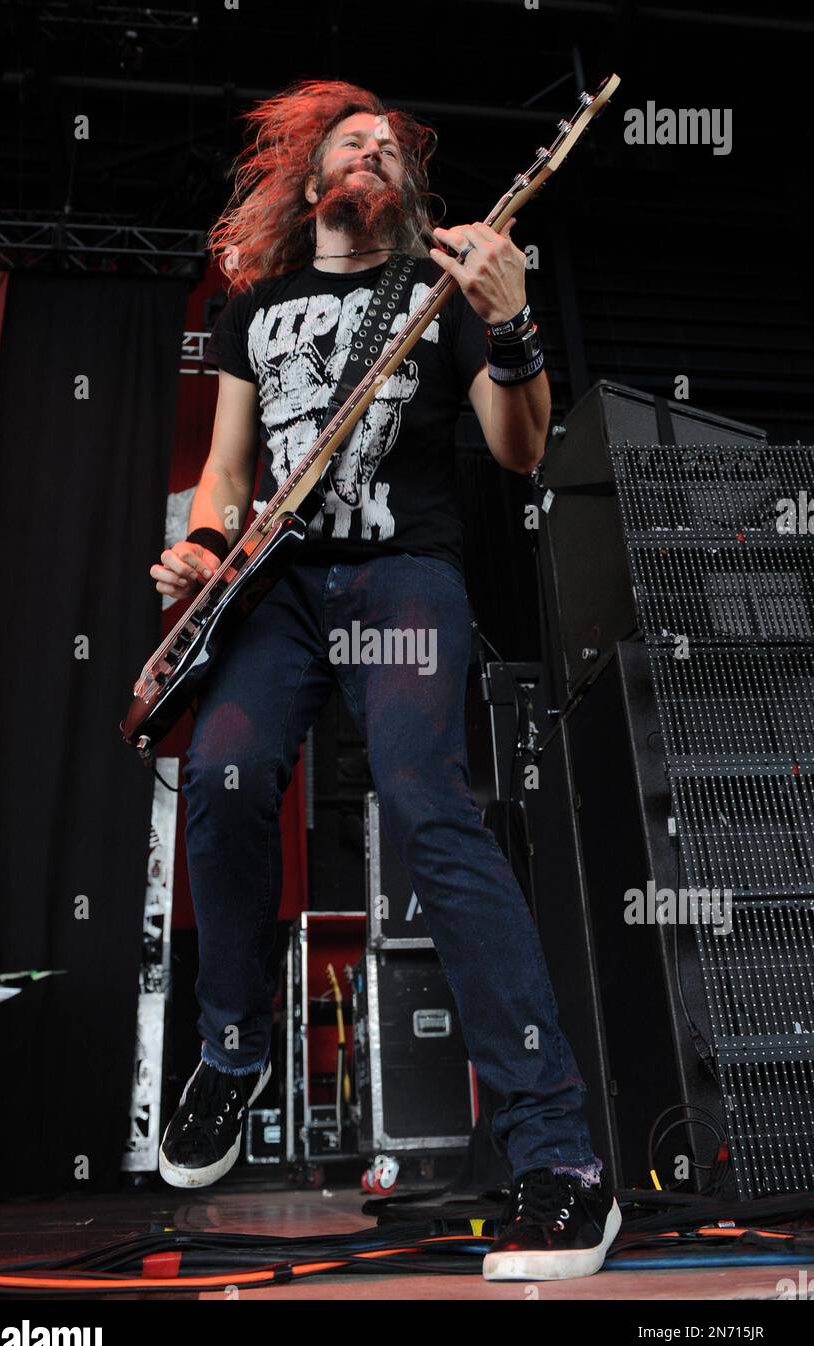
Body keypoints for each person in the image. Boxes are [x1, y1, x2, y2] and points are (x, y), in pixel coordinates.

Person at [150, 79, 620, 1281]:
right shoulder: (252, 309)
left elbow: (519, 452)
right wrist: (202, 550)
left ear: (403, 192)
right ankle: (234, 1045)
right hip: (280, 591)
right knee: (224, 771)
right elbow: (225, 469)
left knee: (424, 805)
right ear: (311, 184)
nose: (373, 153)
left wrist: (511, 331)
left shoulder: (443, 294)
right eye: (349, 143)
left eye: (389, 148)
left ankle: (561, 1161)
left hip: (405, 576)